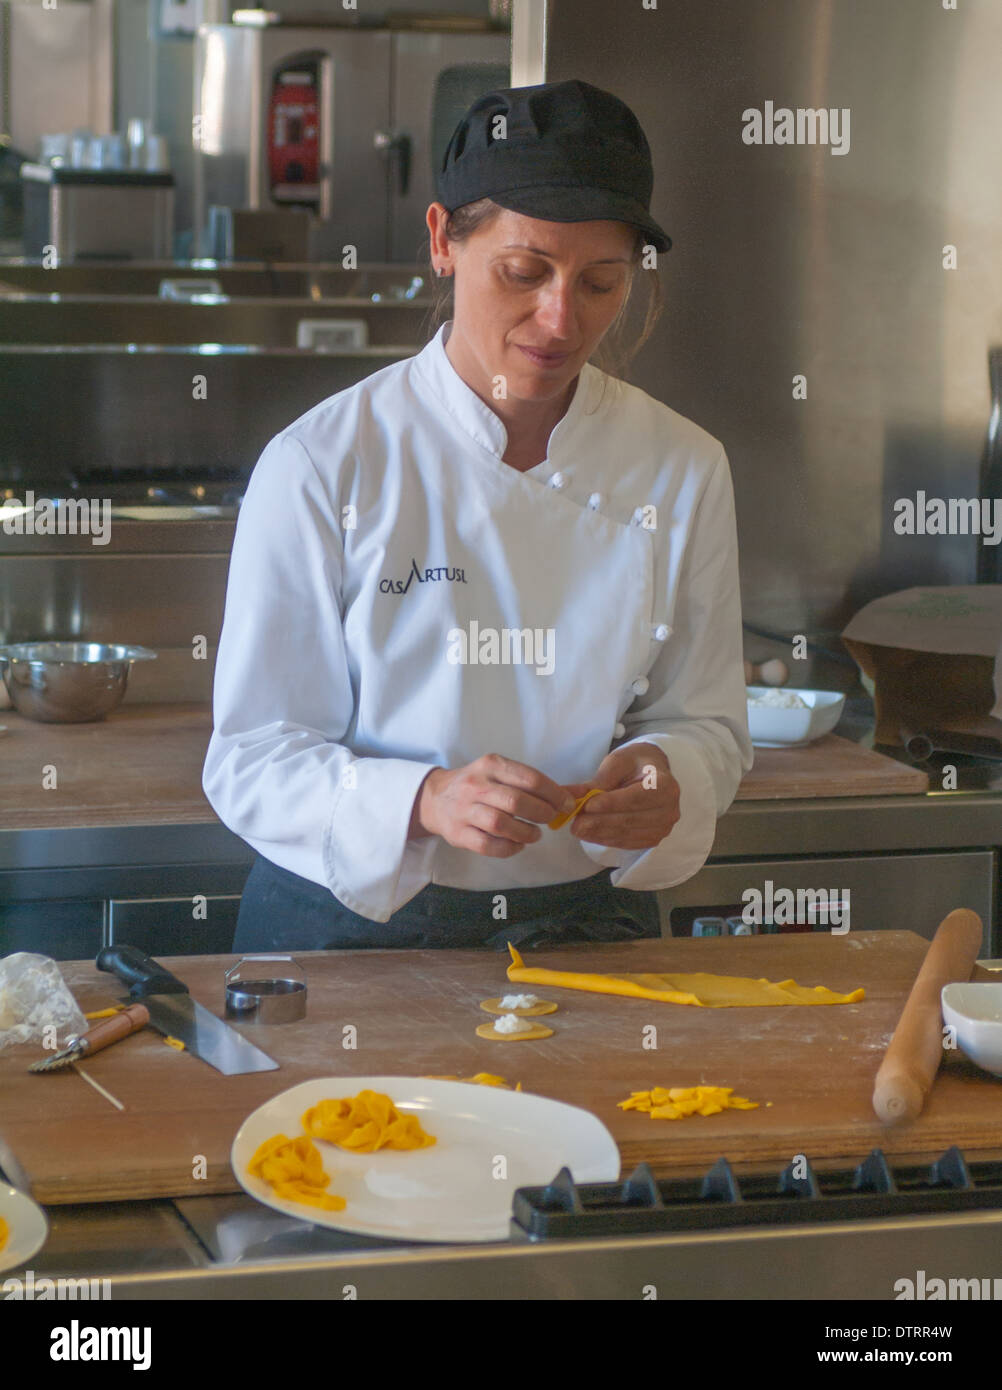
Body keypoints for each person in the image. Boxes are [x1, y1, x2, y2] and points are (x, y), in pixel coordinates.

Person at [202, 79, 753, 952]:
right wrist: (422, 800)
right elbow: (253, 755)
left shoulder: (681, 466)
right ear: (442, 242)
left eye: (600, 282)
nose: (560, 319)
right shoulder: (324, 462)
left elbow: (707, 723)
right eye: (523, 273)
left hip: (586, 926)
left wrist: (668, 773)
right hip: (348, 927)